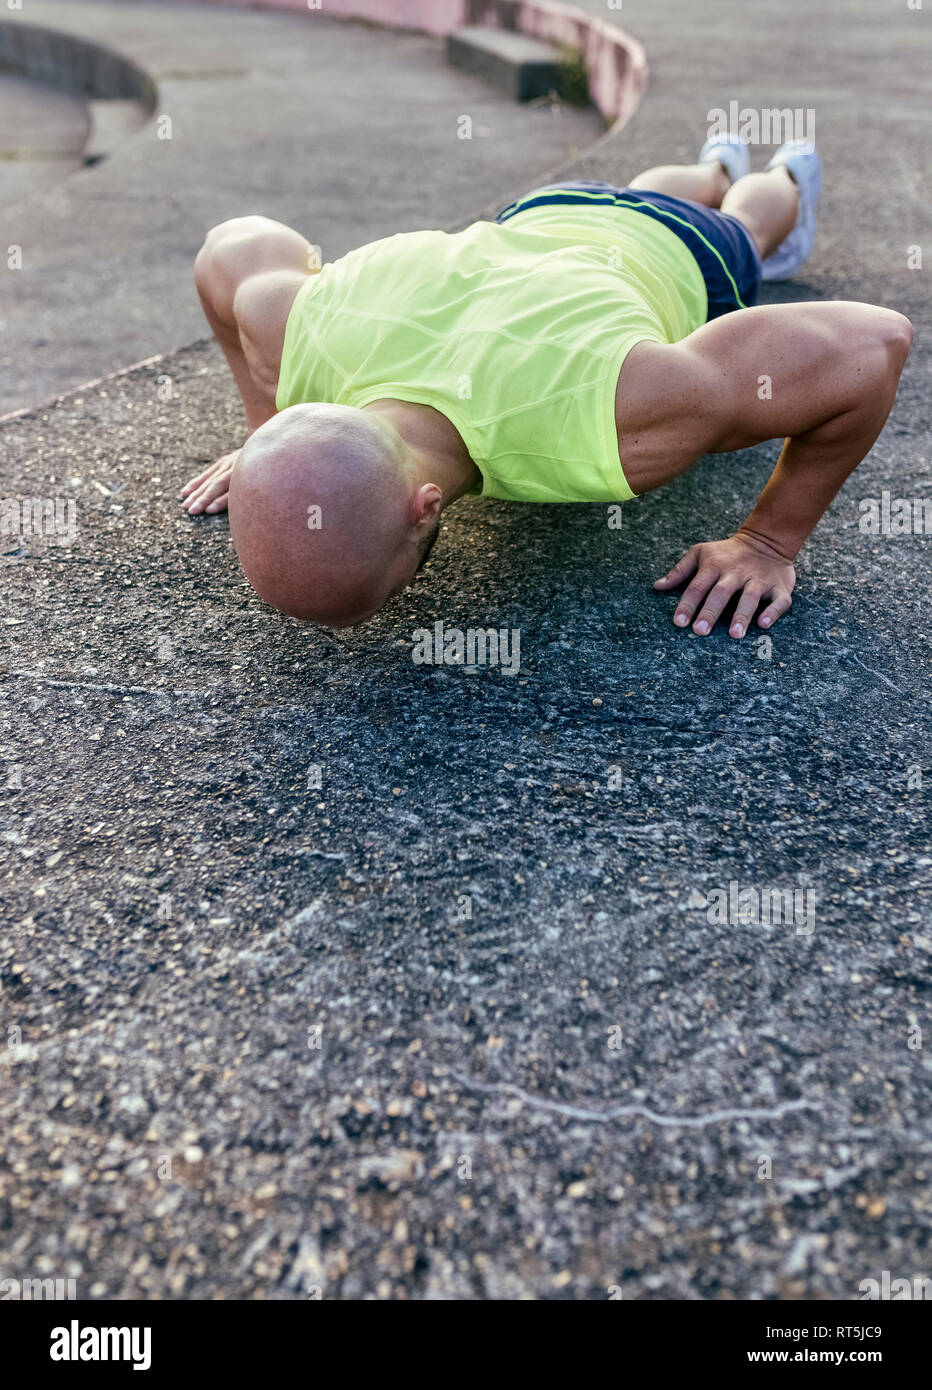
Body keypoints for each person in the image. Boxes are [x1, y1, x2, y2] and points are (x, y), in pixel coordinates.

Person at [183, 136, 912, 637]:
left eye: (395, 590)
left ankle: (783, 174)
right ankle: (715, 160)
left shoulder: (622, 417)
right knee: (640, 195)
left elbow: (875, 343)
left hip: (679, 245)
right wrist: (265, 434)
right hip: (543, 213)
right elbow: (231, 247)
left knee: (744, 229)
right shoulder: (296, 337)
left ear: (424, 507)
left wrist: (766, 543)